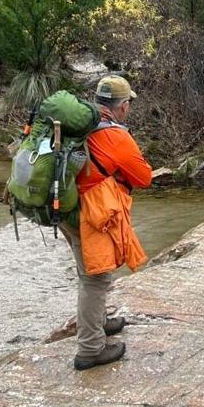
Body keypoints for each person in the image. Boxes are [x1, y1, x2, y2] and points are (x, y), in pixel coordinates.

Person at [65, 75, 153, 370]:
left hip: (68, 207)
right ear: (123, 106)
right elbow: (144, 177)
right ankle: (90, 349)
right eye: (128, 104)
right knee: (95, 277)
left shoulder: (80, 125)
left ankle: (99, 322)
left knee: (88, 269)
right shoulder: (116, 136)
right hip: (90, 212)